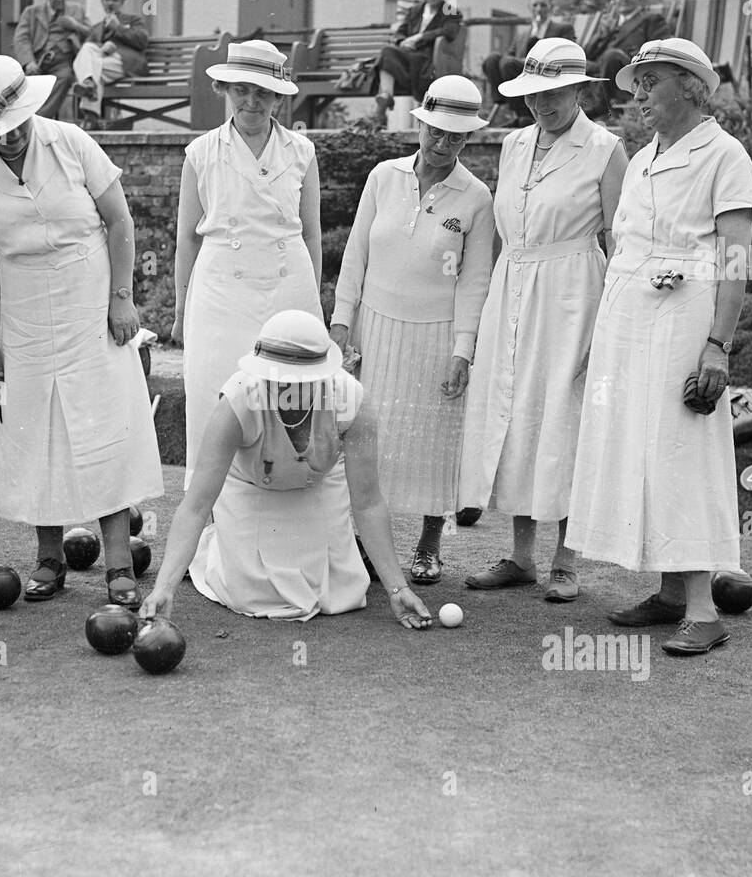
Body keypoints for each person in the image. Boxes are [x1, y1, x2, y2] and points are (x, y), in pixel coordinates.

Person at [566, 38, 752, 655]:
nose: (640, 94)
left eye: (651, 81)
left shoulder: (725, 155)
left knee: (680, 450)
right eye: (638, 83)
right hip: (629, 316)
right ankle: (673, 593)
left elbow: (734, 261)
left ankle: (704, 611)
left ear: (690, 87)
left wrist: (718, 347)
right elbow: (625, 243)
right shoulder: (645, 156)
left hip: (684, 318)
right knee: (642, 448)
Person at [0, 55, 163, 607]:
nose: (11, 137)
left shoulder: (70, 142)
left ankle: (119, 566)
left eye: (17, 123)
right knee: (35, 431)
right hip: (23, 313)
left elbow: (119, 220)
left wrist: (122, 298)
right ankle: (49, 560)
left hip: (90, 303)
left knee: (101, 425)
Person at [460, 39, 627, 603]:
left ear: (579, 89)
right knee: (514, 411)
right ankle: (520, 556)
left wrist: (607, 323)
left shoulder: (606, 150)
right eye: (532, 94)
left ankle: (565, 560)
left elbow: (620, 242)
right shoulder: (512, 144)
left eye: (552, 93)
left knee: (562, 413)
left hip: (573, 292)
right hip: (513, 287)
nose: (540, 104)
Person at [138, 311, 433, 628]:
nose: (281, 388)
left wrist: (397, 588)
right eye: (273, 378)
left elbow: (368, 502)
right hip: (248, 486)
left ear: (322, 376)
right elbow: (196, 505)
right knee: (253, 593)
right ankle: (213, 546)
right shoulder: (237, 404)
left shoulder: (352, 402)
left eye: (295, 381)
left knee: (340, 593)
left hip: (319, 484)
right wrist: (164, 589)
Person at [329, 75, 494, 585]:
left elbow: (475, 281)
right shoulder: (383, 176)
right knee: (364, 436)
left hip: (436, 334)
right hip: (374, 328)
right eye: (435, 132)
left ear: (468, 139)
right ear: (419, 124)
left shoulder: (477, 197)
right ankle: (360, 543)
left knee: (433, 441)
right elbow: (355, 254)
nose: (443, 145)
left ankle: (428, 542)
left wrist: (463, 351)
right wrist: (340, 324)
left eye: (456, 136)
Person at [174, 39, 322, 478]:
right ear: (226, 91)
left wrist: (311, 304)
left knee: (290, 403)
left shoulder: (301, 151)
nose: (252, 102)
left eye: (262, 92)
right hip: (220, 294)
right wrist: (182, 310)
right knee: (214, 402)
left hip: (287, 288)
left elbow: (310, 232)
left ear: (278, 97)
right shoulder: (200, 153)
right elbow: (186, 239)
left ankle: (288, 507)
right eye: (242, 90)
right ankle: (212, 524)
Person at [370, 0, 461, 125]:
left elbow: (449, 31)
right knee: (387, 51)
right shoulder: (415, 10)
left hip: (429, 57)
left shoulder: (449, 10)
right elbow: (400, 31)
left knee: (407, 59)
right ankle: (385, 97)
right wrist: (402, 42)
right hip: (408, 54)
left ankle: (387, 99)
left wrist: (420, 37)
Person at [480, 0, 576, 128]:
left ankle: (523, 115)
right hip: (519, 72)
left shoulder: (562, 29)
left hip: (545, 71)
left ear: (550, 7)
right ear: (529, 7)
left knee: (508, 64)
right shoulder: (523, 34)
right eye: (535, 5)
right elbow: (509, 56)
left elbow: (568, 54)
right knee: (492, 59)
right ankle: (502, 99)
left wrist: (537, 36)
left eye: (543, 5)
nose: (539, 9)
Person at [582, 0, 673, 118]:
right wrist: (602, 34)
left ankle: (601, 105)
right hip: (604, 70)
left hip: (632, 71)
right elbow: (586, 54)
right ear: (614, 1)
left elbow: (662, 49)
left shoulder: (651, 19)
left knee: (611, 55)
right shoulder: (610, 22)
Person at [12, 0, 90, 121]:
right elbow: (21, 38)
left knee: (65, 78)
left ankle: (37, 120)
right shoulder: (31, 12)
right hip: (38, 60)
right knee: (26, 84)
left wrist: (75, 26)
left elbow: (91, 35)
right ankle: (21, 120)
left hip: (64, 61)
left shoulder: (77, 10)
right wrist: (29, 62)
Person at [72, 0, 149, 125]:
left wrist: (119, 28)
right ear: (102, 2)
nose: (110, 3)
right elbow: (86, 54)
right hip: (105, 65)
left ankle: (88, 85)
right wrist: (103, 46)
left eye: (115, 0)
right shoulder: (97, 27)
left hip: (127, 64)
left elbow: (143, 41)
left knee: (94, 67)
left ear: (121, 3)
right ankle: (91, 112)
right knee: (89, 49)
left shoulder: (133, 20)